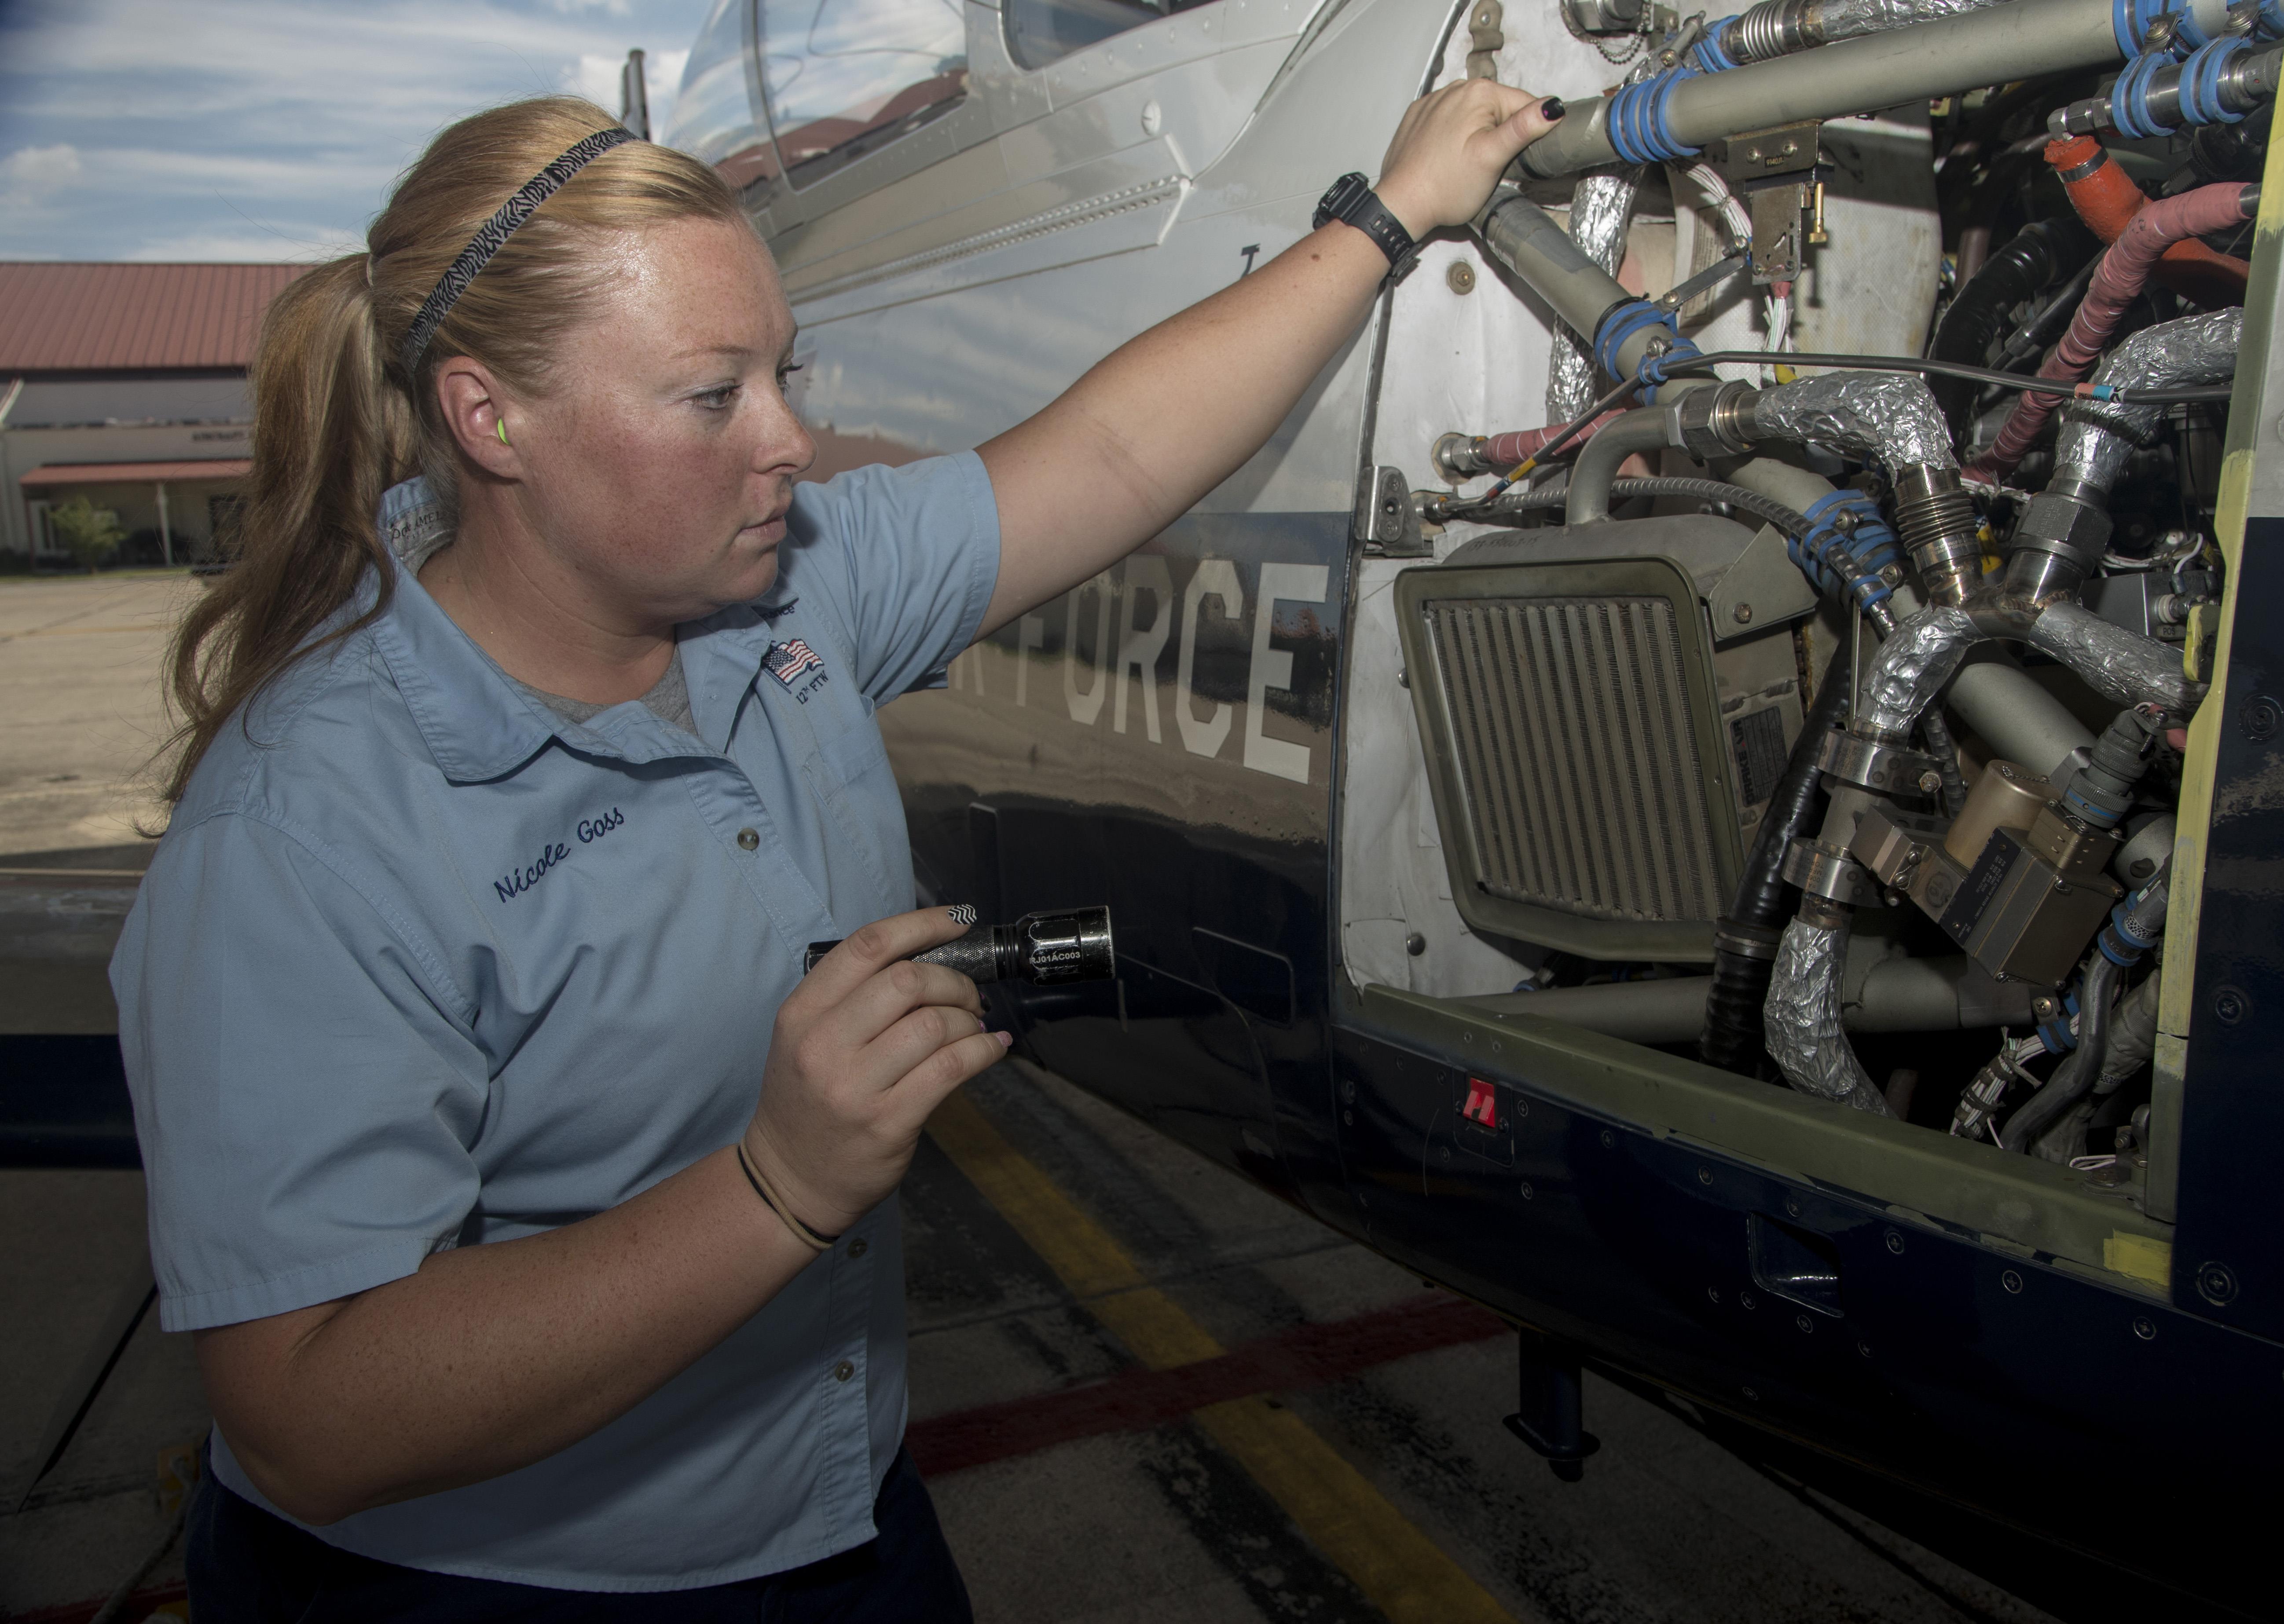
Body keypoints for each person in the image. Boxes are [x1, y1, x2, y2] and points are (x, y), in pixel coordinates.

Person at [115, 77, 1555, 1619]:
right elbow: (309, 1410)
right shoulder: (305, 827)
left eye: (783, 372)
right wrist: (775, 1185)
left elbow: (1115, 457)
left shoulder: (786, 594)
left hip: (829, 1510)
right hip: (495, 1577)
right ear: (491, 418)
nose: (792, 441)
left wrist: (1387, 216)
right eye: (711, 394)